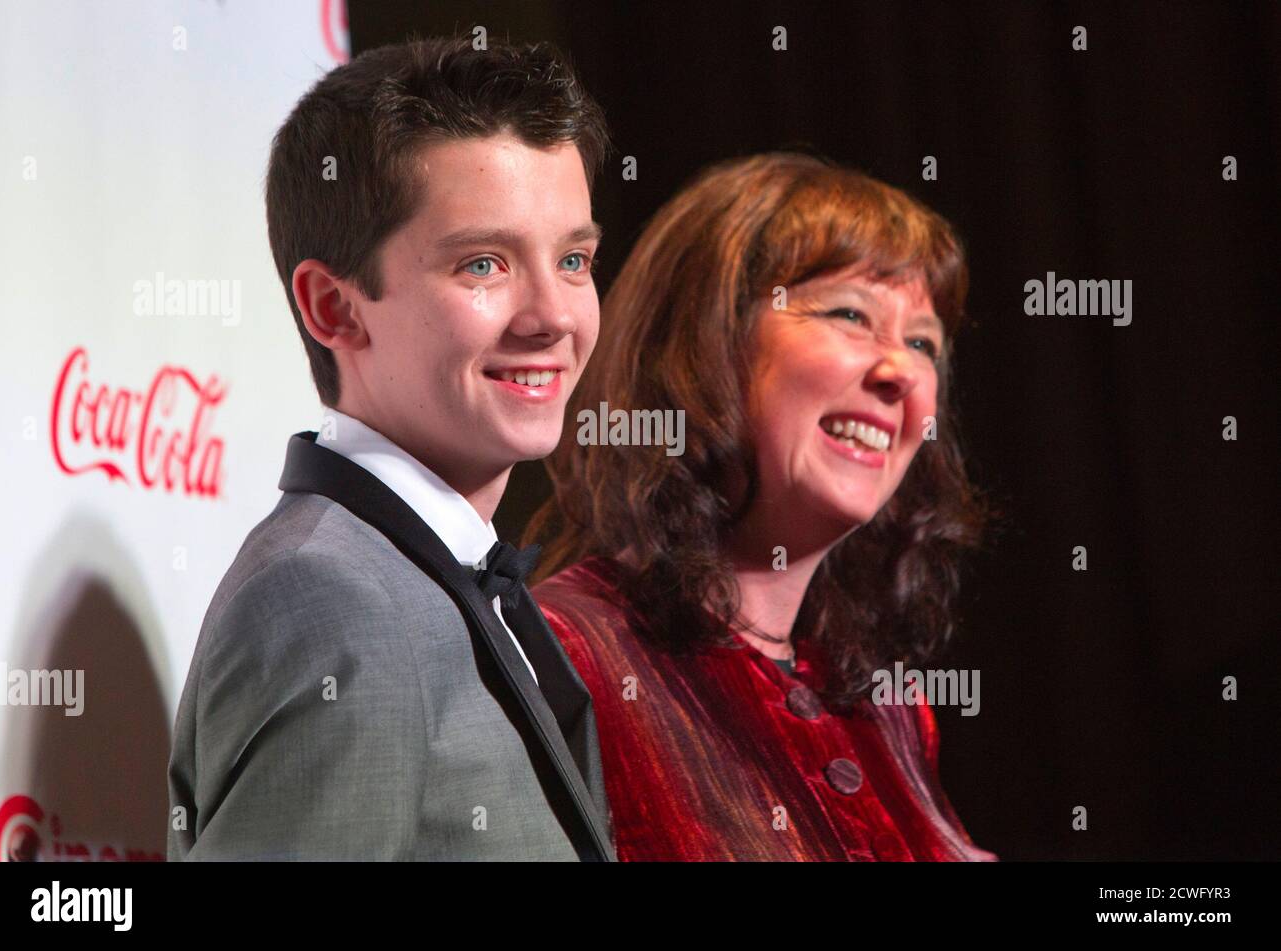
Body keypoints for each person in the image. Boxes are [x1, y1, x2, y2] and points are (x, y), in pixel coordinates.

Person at [168, 36, 614, 860]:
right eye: (484, 263)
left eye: (574, 259)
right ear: (334, 308)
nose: (553, 314)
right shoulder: (331, 602)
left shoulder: (424, 575)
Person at [527, 152, 998, 861]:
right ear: (702, 341)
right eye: (850, 313)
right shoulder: (562, 655)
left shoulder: (886, 706)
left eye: (924, 342)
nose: (901, 370)